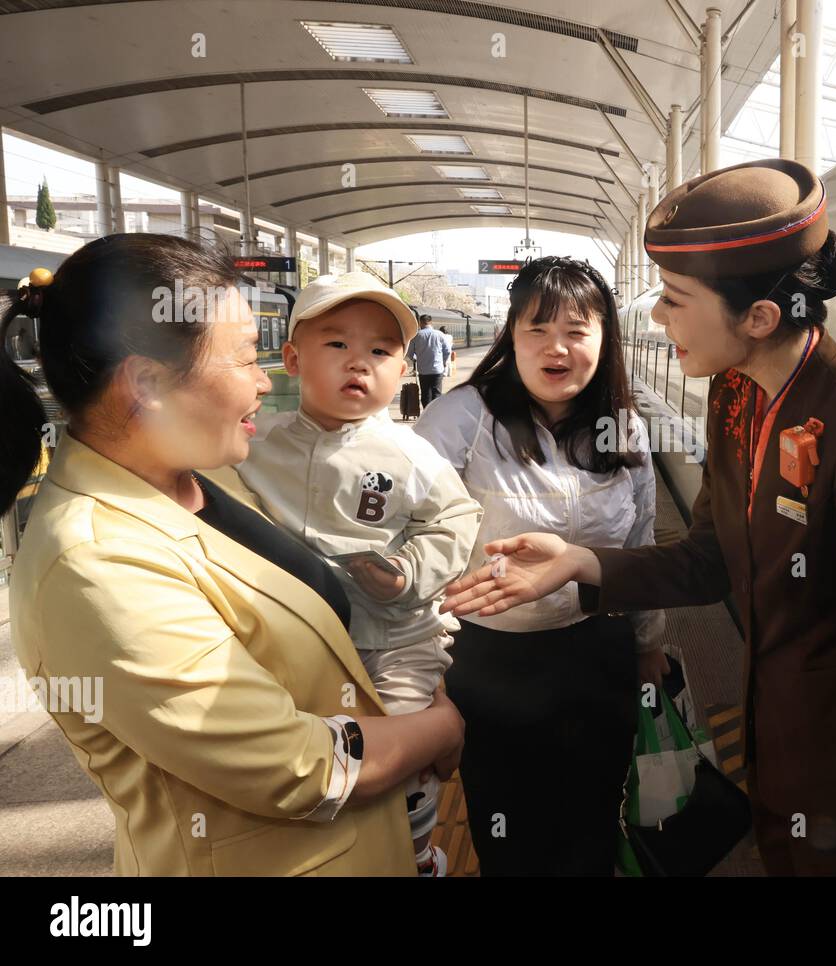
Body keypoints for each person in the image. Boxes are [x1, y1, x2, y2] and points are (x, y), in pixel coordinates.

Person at [441, 160, 836, 876]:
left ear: (760, 318)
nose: (655, 318)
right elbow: (712, 555)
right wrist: (581, 563)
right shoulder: (737, 395)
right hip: (774, 766)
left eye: (676, 300)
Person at [0, 234, 464, 875]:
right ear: (147, 382)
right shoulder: (92, 562)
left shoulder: (203, 477)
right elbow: (296, 767)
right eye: (247, 357)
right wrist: (441, 730)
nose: (266, 378)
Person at [414, 256, 667, 875]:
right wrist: (420, 669)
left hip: (596, 653)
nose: (557, 348)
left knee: (591, 817)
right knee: (506, 824)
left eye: (577, 331)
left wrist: (649, 645)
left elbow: (641, 542)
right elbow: (409, 539)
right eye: (537, 329)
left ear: (605, 339)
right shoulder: (460, 420)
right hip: (488, 660)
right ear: (511, 334)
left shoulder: (623, 427)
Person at [234, 271, 483, 877]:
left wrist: (406, 572)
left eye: (380, 351)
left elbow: (457, 518)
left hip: (399, 641)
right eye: (337, 344)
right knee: (326, 749)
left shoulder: (411, 452)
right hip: (300, 644)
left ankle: (418, 853)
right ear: (292, 358)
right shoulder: (256, 444)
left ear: (402, 372)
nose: (359, 363)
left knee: (401, 752)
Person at [407, 314, 451, 406]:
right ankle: (436, 415)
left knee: (425, 394)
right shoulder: (440, 334)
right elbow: (447, 351)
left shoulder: (416, 336)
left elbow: (410, 353)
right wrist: (443, 362)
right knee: (437, 394)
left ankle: (426, 414)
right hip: (437, 370)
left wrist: (416, 360)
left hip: (423, 371)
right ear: (431, 322)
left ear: (420, 323)